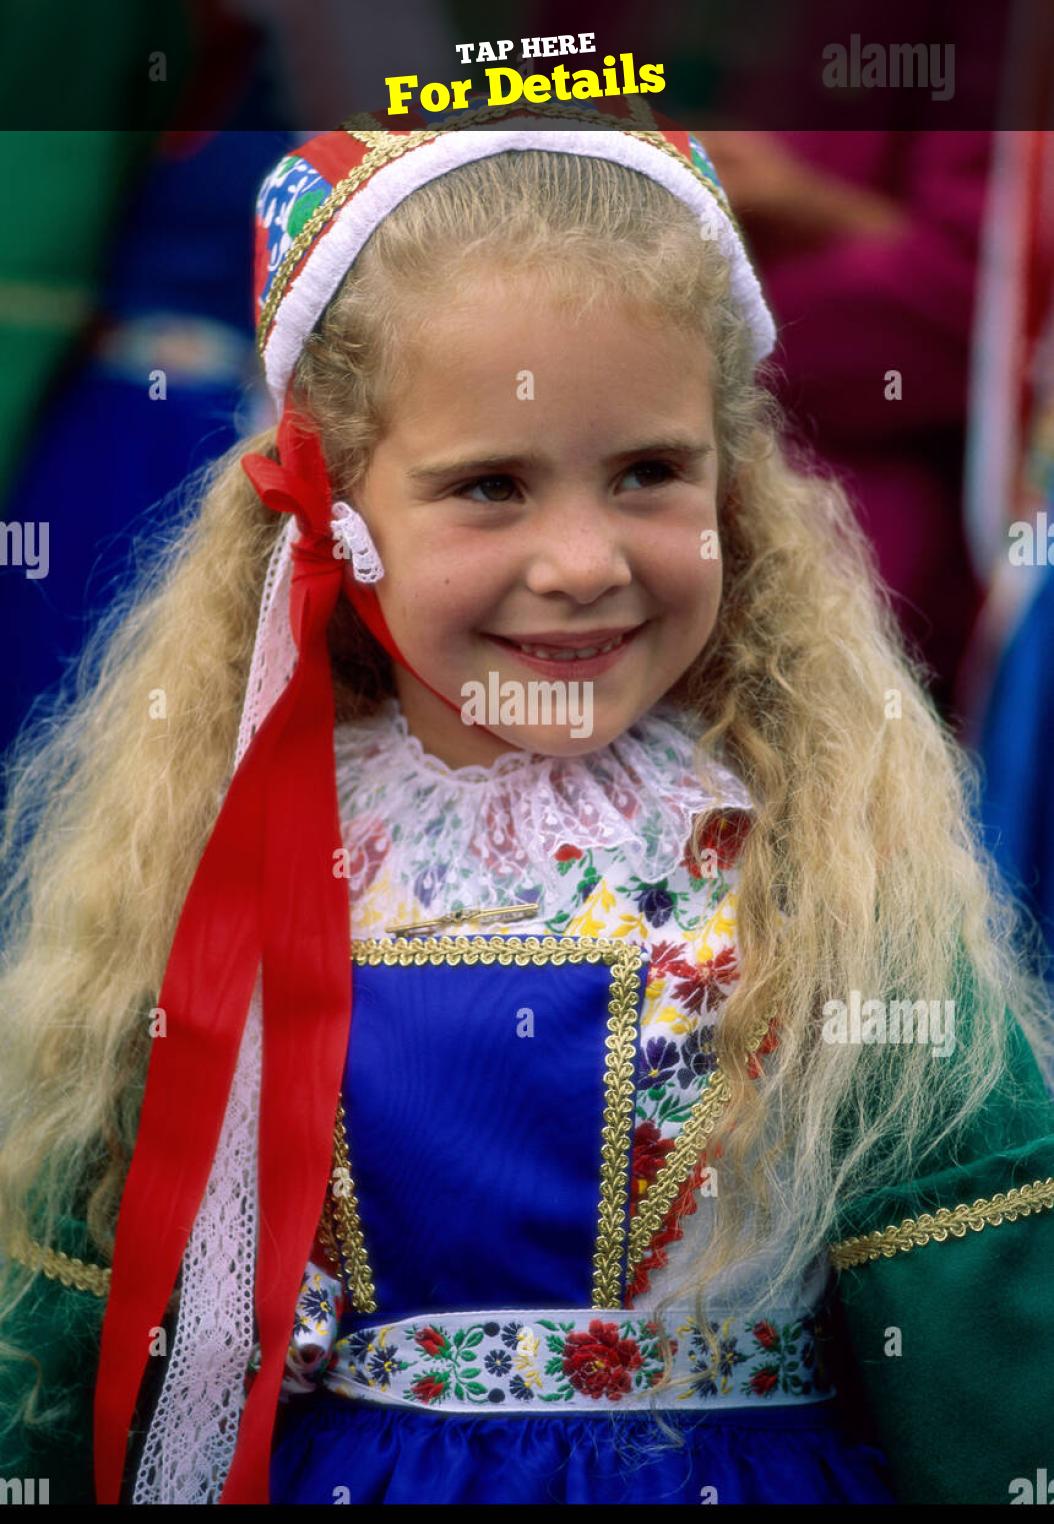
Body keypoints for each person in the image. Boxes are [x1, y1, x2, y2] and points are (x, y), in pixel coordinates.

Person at [0, 108, 1052, 1508]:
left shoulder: (825, 869)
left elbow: (986, 1336)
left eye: (648, 474)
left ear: (730, 482)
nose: (581, 560)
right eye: (490, 487)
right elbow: (70, 1335)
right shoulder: (226, 865)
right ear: (332, 505)